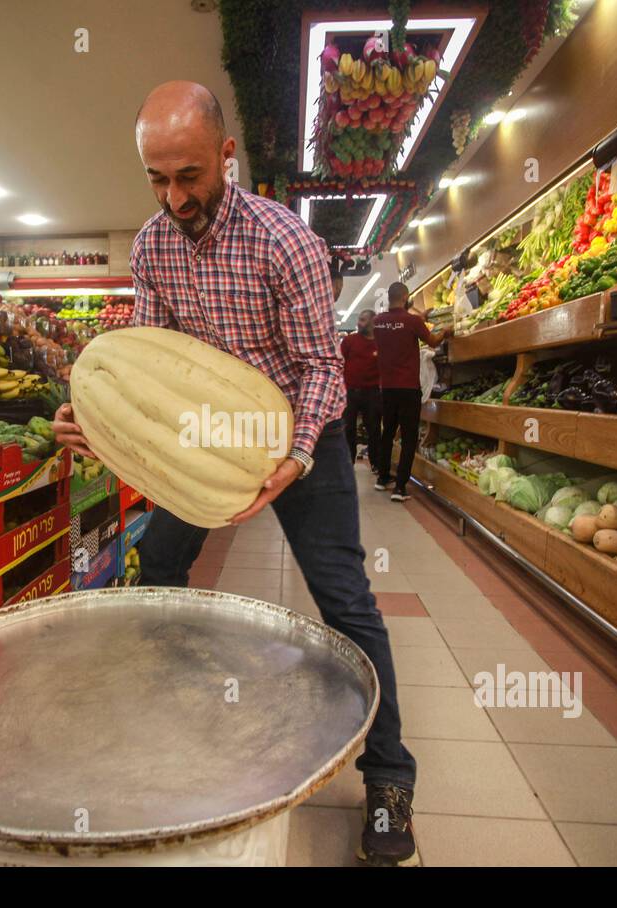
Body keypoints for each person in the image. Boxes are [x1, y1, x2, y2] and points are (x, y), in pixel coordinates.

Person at [51, 81, 419, 866]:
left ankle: (389, 777)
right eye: (157, 178)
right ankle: (182, 719)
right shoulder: (152, 246)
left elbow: (324, 368)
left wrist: (290, 459)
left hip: (302, 439)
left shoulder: (286, 241)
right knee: (161, 563)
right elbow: (143, 371)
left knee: (347, 602)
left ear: (227, 155)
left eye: (188, 176)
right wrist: (95, 423)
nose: (173, 196)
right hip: (203, 442)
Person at [373, 283, 445, 502]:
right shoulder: (413, 321)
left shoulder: (379, 322)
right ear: (405, 297)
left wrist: (419, 318)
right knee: (409, 436)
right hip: (408, 388)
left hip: (387, 388)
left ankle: (383, 477)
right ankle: (401, 487)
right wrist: (446, 331)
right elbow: (432, 341)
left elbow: (397, 329)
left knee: (388, 433)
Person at [341, 309, 382, 471]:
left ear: (373, 322)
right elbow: (339, 363)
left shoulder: (381, 342)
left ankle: (376, 463)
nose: (359, 323)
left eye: (363, 320)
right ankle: (348, 463)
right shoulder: (349, 341)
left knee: (373, 429)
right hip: (350, 392)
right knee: (348, 429)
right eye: (359, 319)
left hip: (372, 392)